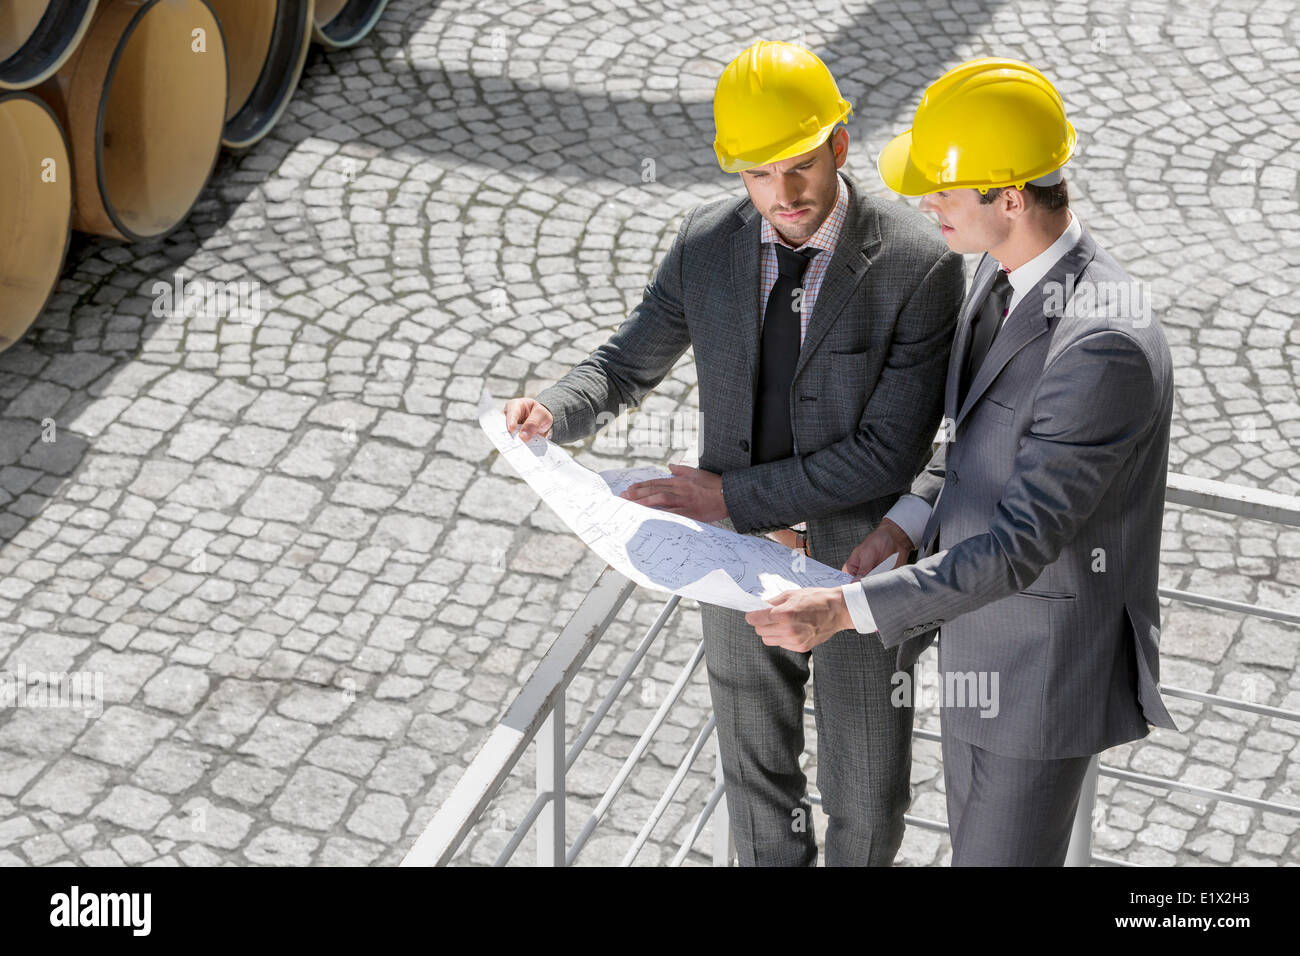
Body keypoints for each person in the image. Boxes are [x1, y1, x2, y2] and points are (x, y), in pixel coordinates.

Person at [503, 40, 965, 865]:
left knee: (866, 789)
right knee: (756, 782)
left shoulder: (918, 264)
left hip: (854, 567)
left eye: (799, 167)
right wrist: (552, 410)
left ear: (840, 147)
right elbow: (623, 364)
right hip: (733, 562)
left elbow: (888, 454)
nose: (782, 195)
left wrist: (723, 499)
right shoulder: (707, 244)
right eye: (758, 174)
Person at [745, 57, 1179, 866]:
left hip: (1041, 677)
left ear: (1009, 198)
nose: (924, 203)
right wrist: (909, 522)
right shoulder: (997, 275)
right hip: (982, 644)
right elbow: (975, 443)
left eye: (943, 189)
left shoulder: (1102, 346)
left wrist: (844, 610)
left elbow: (1019, 545)